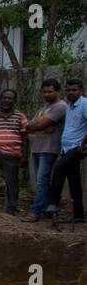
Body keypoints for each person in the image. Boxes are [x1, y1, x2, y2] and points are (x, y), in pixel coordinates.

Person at [42, 77, 87, 224]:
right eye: (68, 90)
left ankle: (53, 203)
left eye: (74, 90)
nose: (71, 92)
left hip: (78, 147)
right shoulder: (69, 106)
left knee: (59, 166)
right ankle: (79, 214)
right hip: (66, 147)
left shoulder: (84, 104)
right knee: (74, 181)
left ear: (81, 90)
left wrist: (83, 144)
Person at [24, 79, 67, 222]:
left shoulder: (60, 106)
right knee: (41, 181)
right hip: (38, 147)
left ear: (57, 91)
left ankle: (36, 211)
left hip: (49, 148)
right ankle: (47, 210)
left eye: (50, 91)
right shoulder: (45, 107)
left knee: (42, 180)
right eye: (45, 92)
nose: (47, 94)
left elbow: (39, 124)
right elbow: (28, 126)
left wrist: (37, 126)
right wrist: (37, 127)